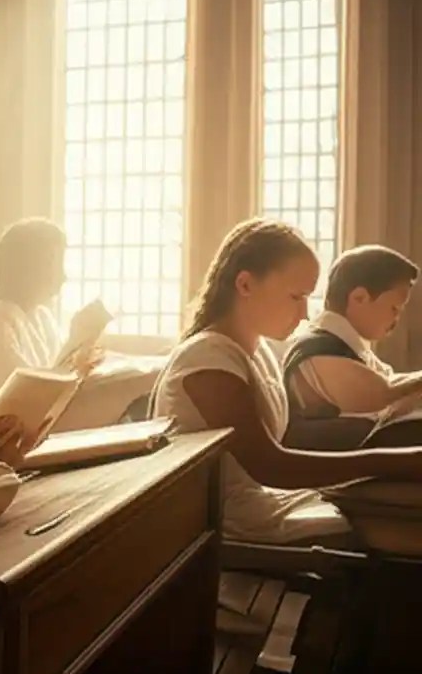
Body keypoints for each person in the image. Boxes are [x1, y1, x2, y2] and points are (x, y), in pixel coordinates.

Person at [150, 219, 422, 545]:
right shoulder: (208, 358)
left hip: (264, 504)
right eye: (296, 297)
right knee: (392, 530)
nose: (305, 313)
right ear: (246, 285)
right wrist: (397, 462)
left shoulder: (259, 351)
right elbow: (270, 466)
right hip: (228, 522)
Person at [284, 244, 422, 418]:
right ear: (359, 298)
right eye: (394, 309)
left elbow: (390, 380)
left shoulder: (348, 345)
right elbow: (379, 395)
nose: (396, 321)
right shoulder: (319, 350)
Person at [0, 218, 68, 400]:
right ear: (25, 268)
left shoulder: (44, 318)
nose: (62, 276)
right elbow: (22, 394)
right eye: (52, 264)